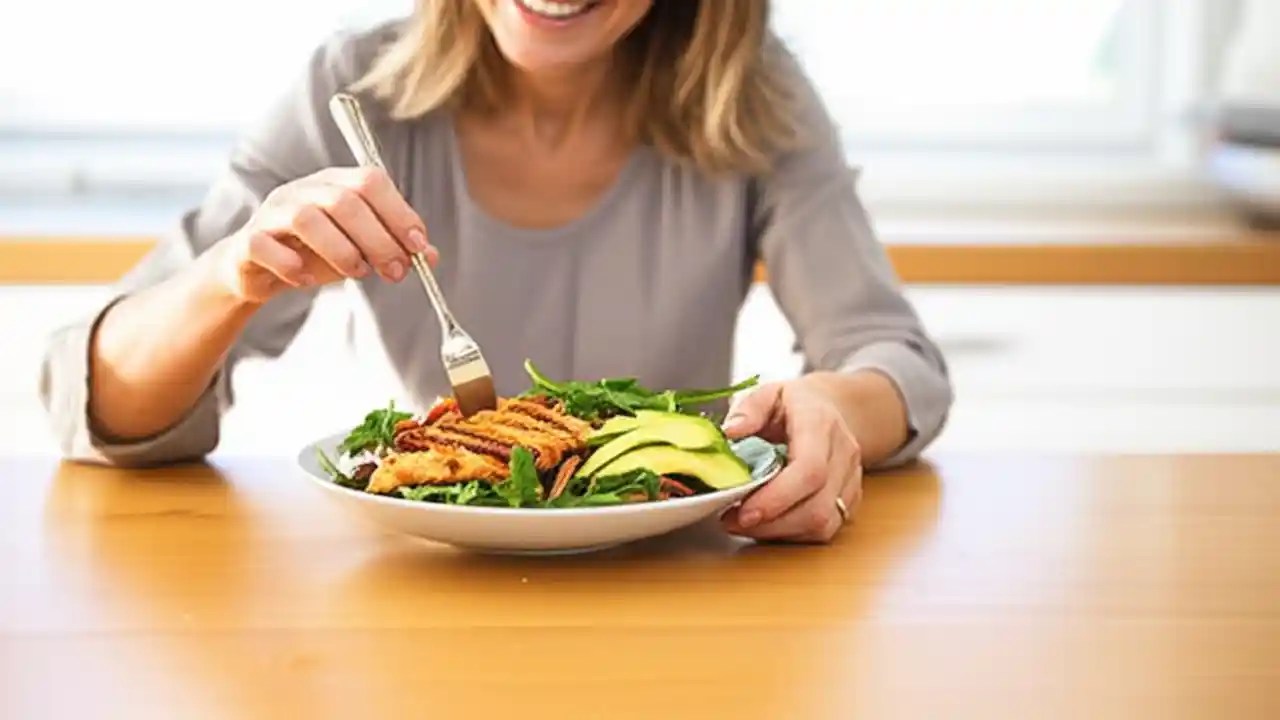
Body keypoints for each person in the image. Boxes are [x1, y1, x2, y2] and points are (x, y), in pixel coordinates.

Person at [39, 0, 952, 544]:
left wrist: (832, 409)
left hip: (683, 579)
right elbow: (92, 404)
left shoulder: (752, 93)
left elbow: (892, 357)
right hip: (426, 594)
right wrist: (229, 279)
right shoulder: (355, 86)